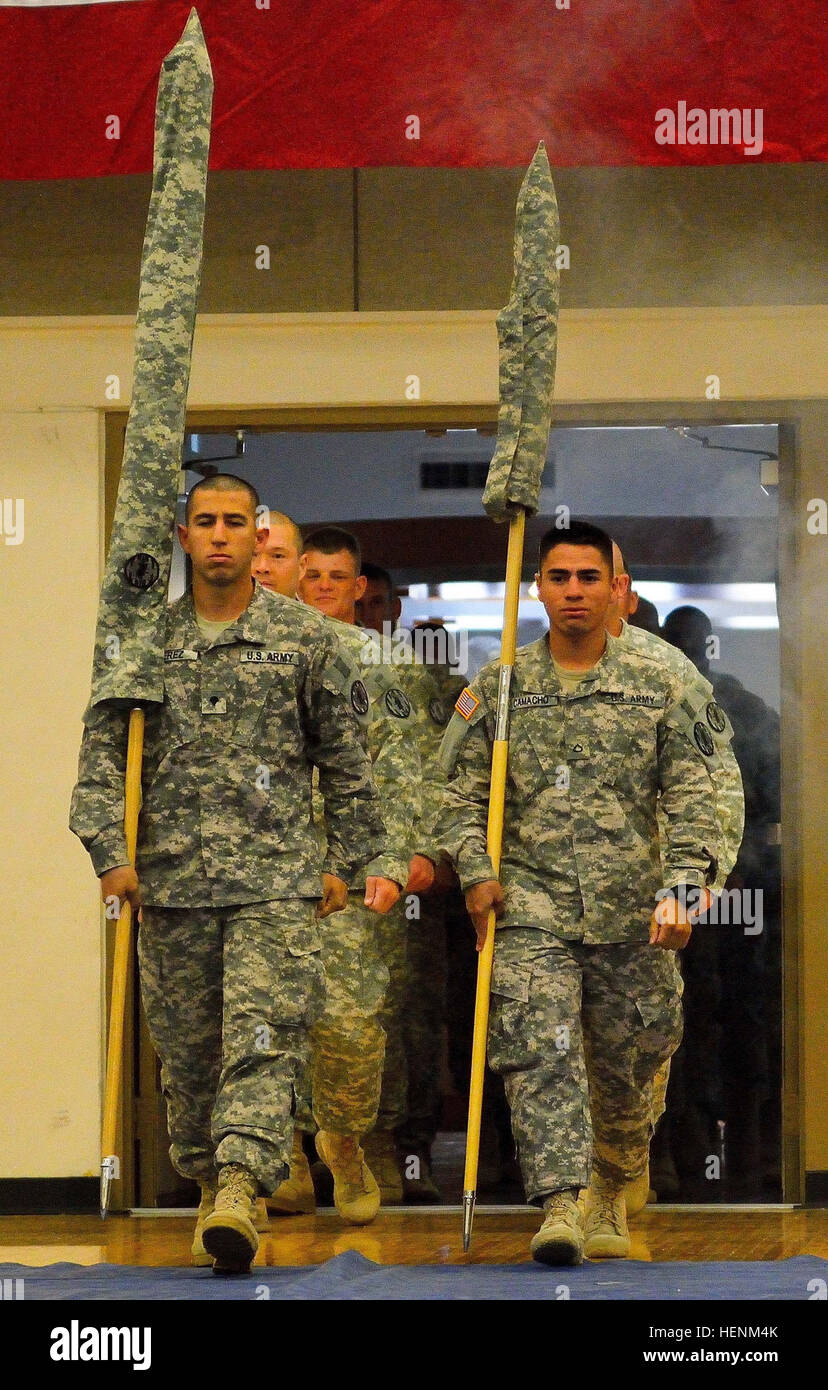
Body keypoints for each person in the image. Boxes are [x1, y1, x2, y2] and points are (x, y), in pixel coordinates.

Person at [70, 475, 395, 1273]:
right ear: (184, 539)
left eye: (235, 524)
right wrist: (110, 855)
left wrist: (357, 861)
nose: (220, 535)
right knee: (187, 1060)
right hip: (171, 888)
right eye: (205, 523)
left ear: (260, 542)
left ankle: (242, 1189)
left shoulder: (303, 639)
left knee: (263, 1039)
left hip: (275, 885)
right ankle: (216, 1178)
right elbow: (99, 762)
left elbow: (347, 766)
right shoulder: (143, 640)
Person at [430, 520, 729, 1265]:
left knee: (630, 1065)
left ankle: (614, 1179)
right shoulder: (501, 688)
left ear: (616, 589)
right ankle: (560, 1203)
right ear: (538, 589)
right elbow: (451, 794)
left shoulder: (666, 679)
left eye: (589, 578)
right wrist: (475, 869)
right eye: (559, 578)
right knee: (541, 1051)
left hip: (636, 913)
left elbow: (707, 790)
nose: (573, 591)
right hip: (530, 907)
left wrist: (685, 886)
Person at [270, 526, 419, 1219]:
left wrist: (392, 858)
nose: (321, 589)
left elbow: (400, 768)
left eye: (337, 578)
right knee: (269, 1022)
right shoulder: (260, 650)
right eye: (312, 576)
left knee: (353, 1026)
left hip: (350, 875)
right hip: (267, 872)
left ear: (358, 588)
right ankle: (286, 1157)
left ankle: (349, 1142)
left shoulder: (379, 662)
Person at [662, 604, 781, 1194]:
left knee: (731, 1024)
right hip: (681, 896)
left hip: (736, 897)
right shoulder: (648, 699)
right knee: (687, 1026)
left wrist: (741, 866)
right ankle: (698, 1155)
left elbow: (780, 798)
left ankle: (740, 1154)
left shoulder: (741, 708)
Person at [358, 562, 464, 1201]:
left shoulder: (421, 681)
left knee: (413, 1018)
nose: (366, 611)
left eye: (376, 601)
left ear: (392, 607)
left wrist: (433, 857)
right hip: (333, 875)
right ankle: (324, 1152)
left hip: (413, 880)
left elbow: (444, 770)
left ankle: (410, 1152)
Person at [251, 509, 304, 598]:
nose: (262, 567)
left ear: (302, 566)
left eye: (277, 556)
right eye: (252, 555)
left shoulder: (312, 613)